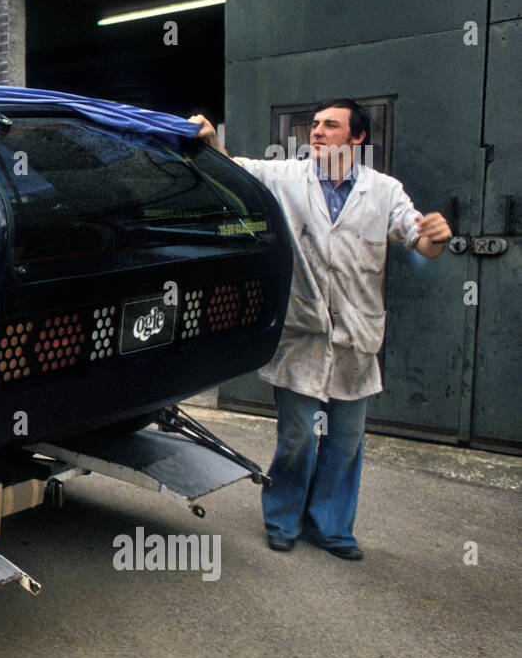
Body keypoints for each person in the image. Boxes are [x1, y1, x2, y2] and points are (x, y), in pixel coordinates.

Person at [190, 100, 451, 560]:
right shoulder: (288, 176)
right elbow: (235, 168)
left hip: (356, 336)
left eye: (331, 126)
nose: (318, 132)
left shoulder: (385, 191)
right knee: (298, 436)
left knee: (346, 441)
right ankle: (283, 520)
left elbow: (420, 241)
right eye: (314, 125)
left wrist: (436, 237)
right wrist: (210, 140)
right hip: (304, 332)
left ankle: (331, 528)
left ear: (357, 139)